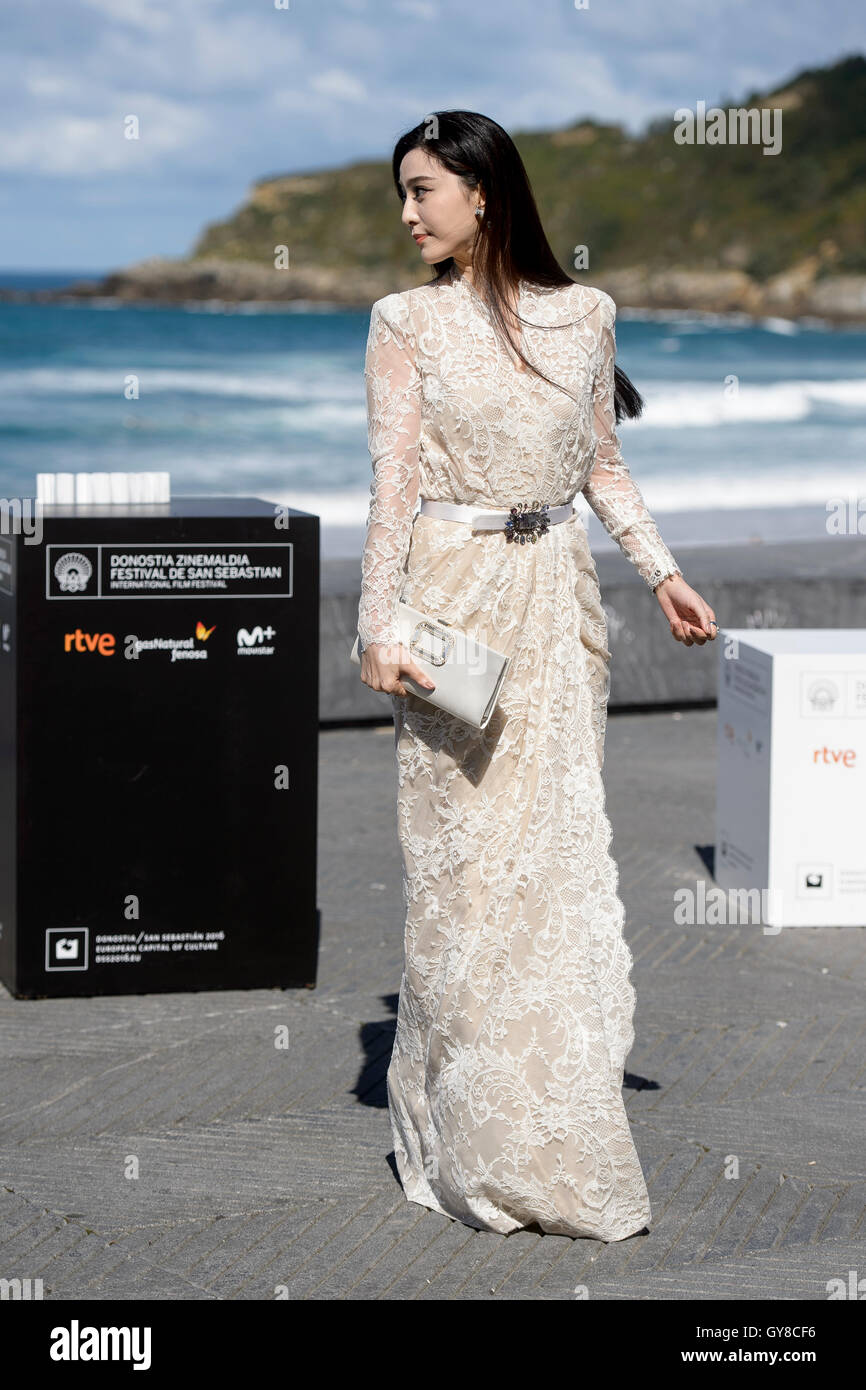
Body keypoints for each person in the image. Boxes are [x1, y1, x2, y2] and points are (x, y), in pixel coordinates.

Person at [355, 110, 718, 1240]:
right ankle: (468, 1128)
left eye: (423, 191)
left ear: (482, 191)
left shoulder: (585, 314)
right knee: (462, 877)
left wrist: (659, 571)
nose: (407, 214)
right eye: (402, 195)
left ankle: (552, 1116)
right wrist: (375, 625)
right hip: (452, 605)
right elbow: (392, 483)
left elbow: (603, 461)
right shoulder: (402, 320)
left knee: (547, 864)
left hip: (555, 602)